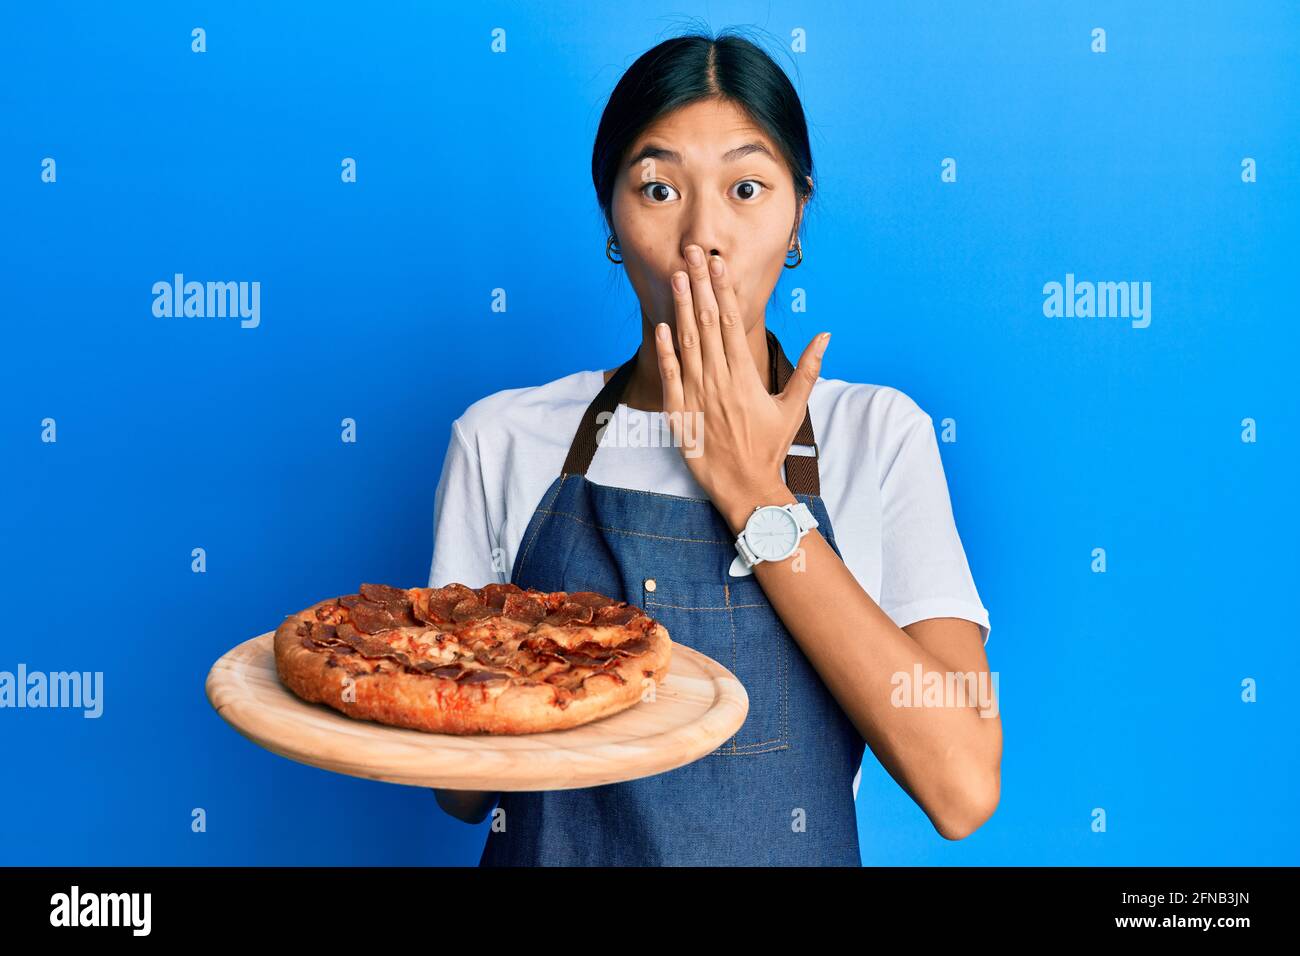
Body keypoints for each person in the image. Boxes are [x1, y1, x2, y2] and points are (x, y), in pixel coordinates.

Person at [429, 30, 999, 865]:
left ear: (797, 213)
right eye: (658, 189)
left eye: (746, 187)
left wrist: (754, 495)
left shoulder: (879, 436)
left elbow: (961, 785)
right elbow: (461, 791)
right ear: (612, 221)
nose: (704, 239)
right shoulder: (503, 439)